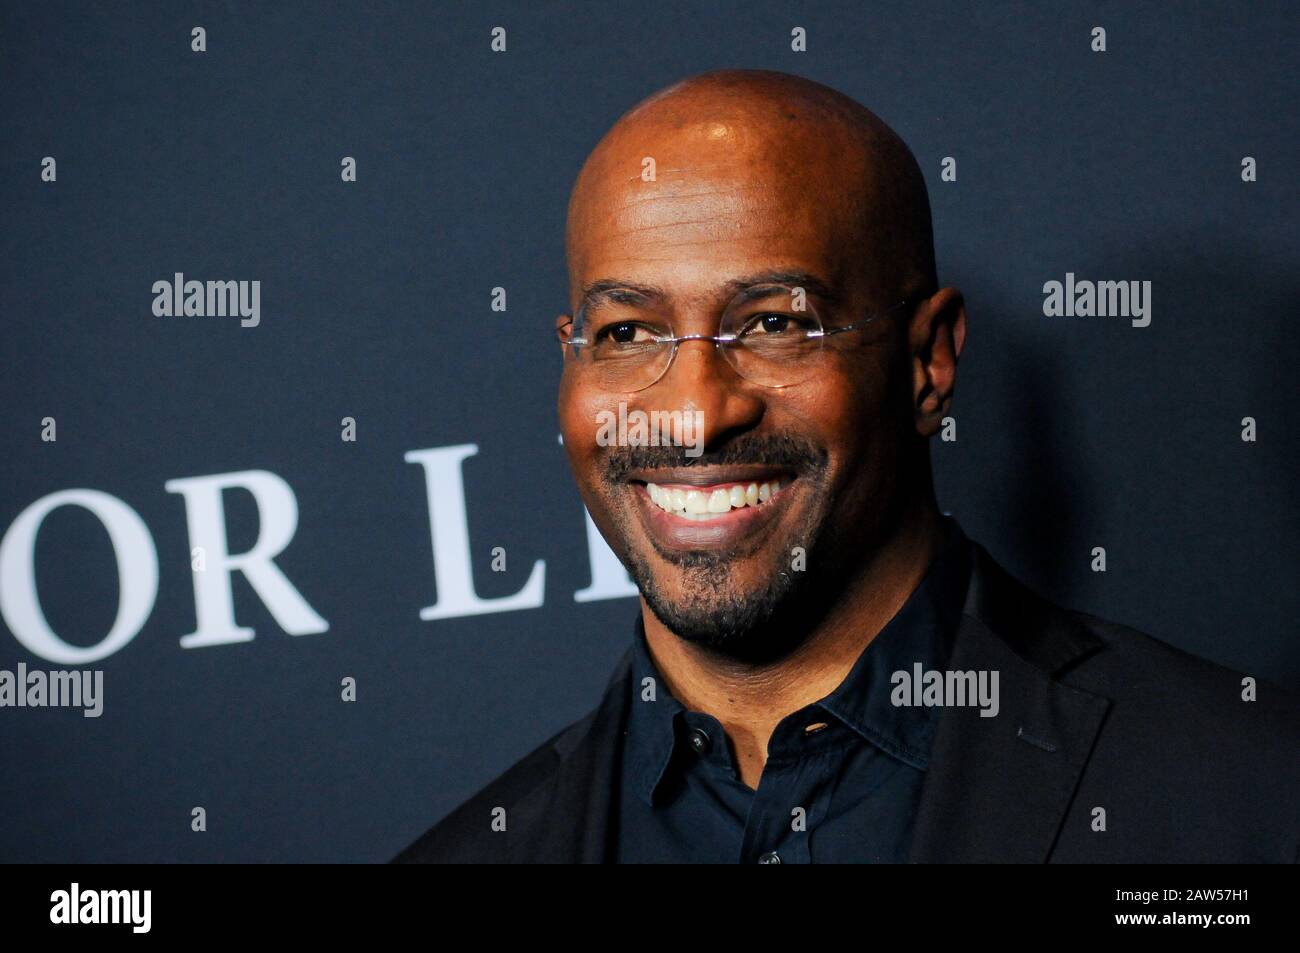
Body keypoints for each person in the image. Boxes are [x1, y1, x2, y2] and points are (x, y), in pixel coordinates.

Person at [395, 70, 1299, 863]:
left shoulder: (1248, 793)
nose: (696, 413)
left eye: (775, 323)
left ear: (928, 362)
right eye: (628, 333)